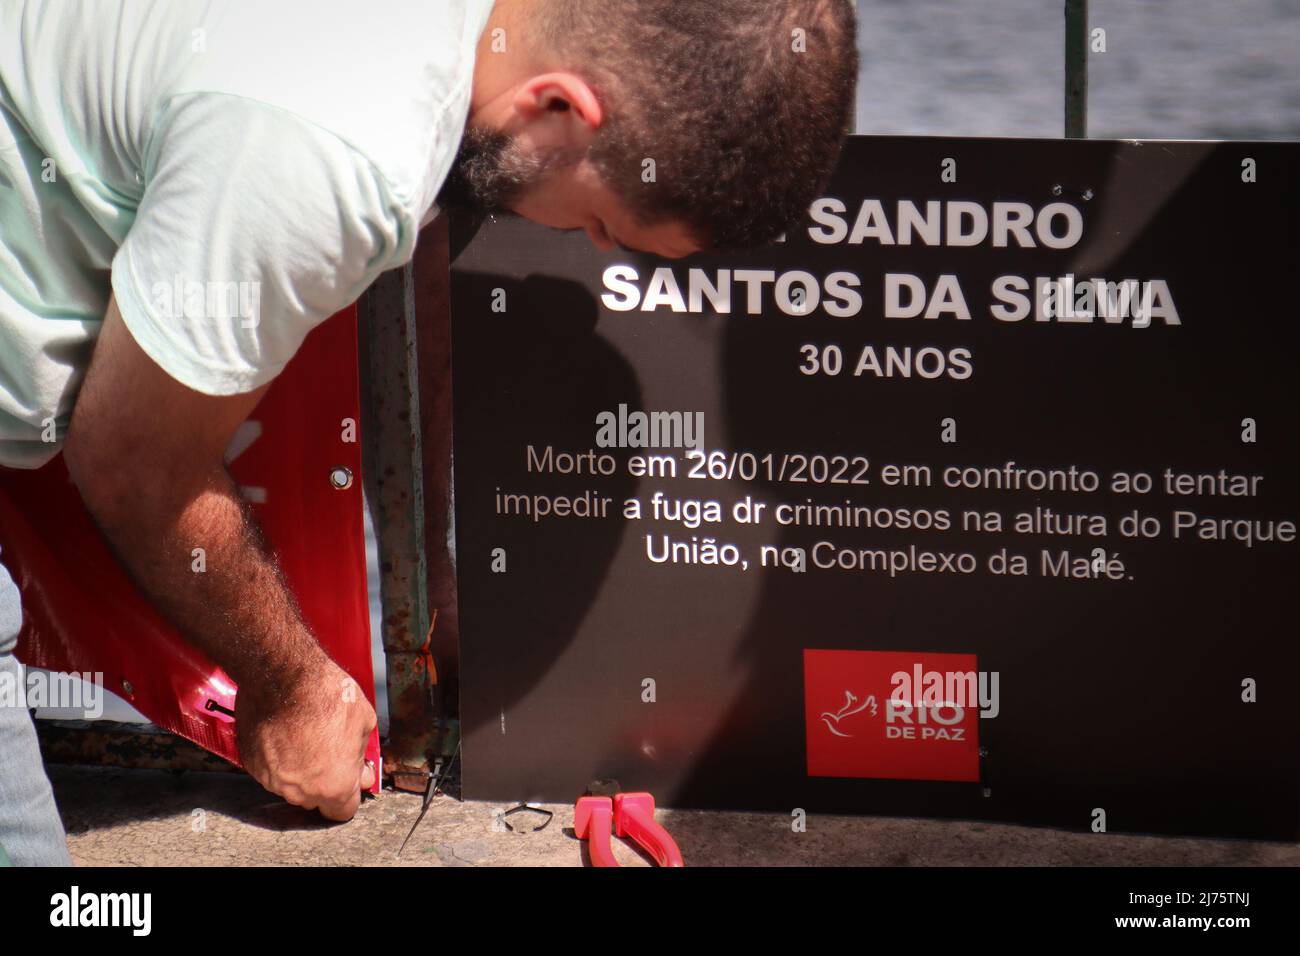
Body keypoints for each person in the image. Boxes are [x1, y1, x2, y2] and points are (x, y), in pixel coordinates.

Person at [0, 0, 857, 864]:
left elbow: (427, 222)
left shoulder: (455, 50)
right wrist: (294, 691)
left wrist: (443, 579)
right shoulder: (333, 145)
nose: (593, 252)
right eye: (602, 225)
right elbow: (136, 463)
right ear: (559, 109)